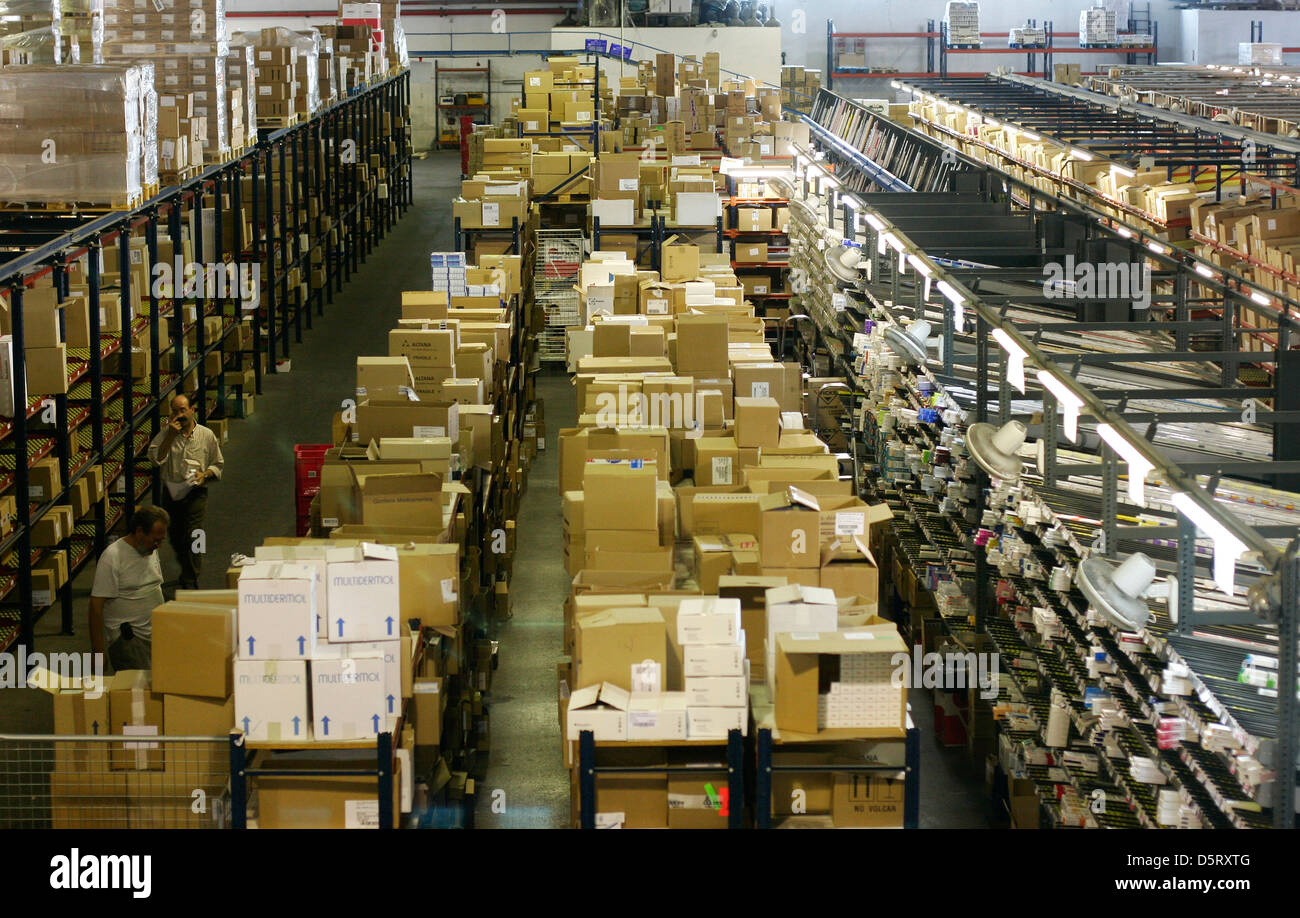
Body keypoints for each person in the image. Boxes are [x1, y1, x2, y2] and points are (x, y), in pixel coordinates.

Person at [148, 393, 224, 590]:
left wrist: (205, 474)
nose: (179, 415)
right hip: (172, 493)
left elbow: (218, 464)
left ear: (192, 410)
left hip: (196, 494)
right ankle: (187, 571)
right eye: (175, 411)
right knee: (175, 536)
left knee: (195, 535)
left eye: (182, 410)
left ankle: (192, 576)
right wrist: (170, 436)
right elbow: (156, 458)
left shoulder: (206, 435)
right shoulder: (166, 434)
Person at [89, 506, 169, 671]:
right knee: (139, 694)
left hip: (155, 636)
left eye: (162, 540)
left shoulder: (149, 548)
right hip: (129, 642)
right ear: (139, 531)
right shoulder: (112, 557)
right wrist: (98, 652)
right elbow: (95, 607)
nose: (159, 545)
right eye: (156, 540)